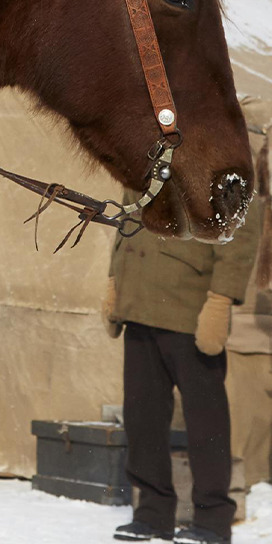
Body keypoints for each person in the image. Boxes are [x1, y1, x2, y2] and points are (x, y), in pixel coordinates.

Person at [106, 193, 264, 544]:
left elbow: (241, 226)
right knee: (141, 417)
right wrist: (115, 280)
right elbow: (128, 220)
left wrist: (221, 299)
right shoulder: (144, 149)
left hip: (191, 311)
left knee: (206, 423)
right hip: (140, 305)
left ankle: (212, 521)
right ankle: (152, 515)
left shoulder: (216, 146)